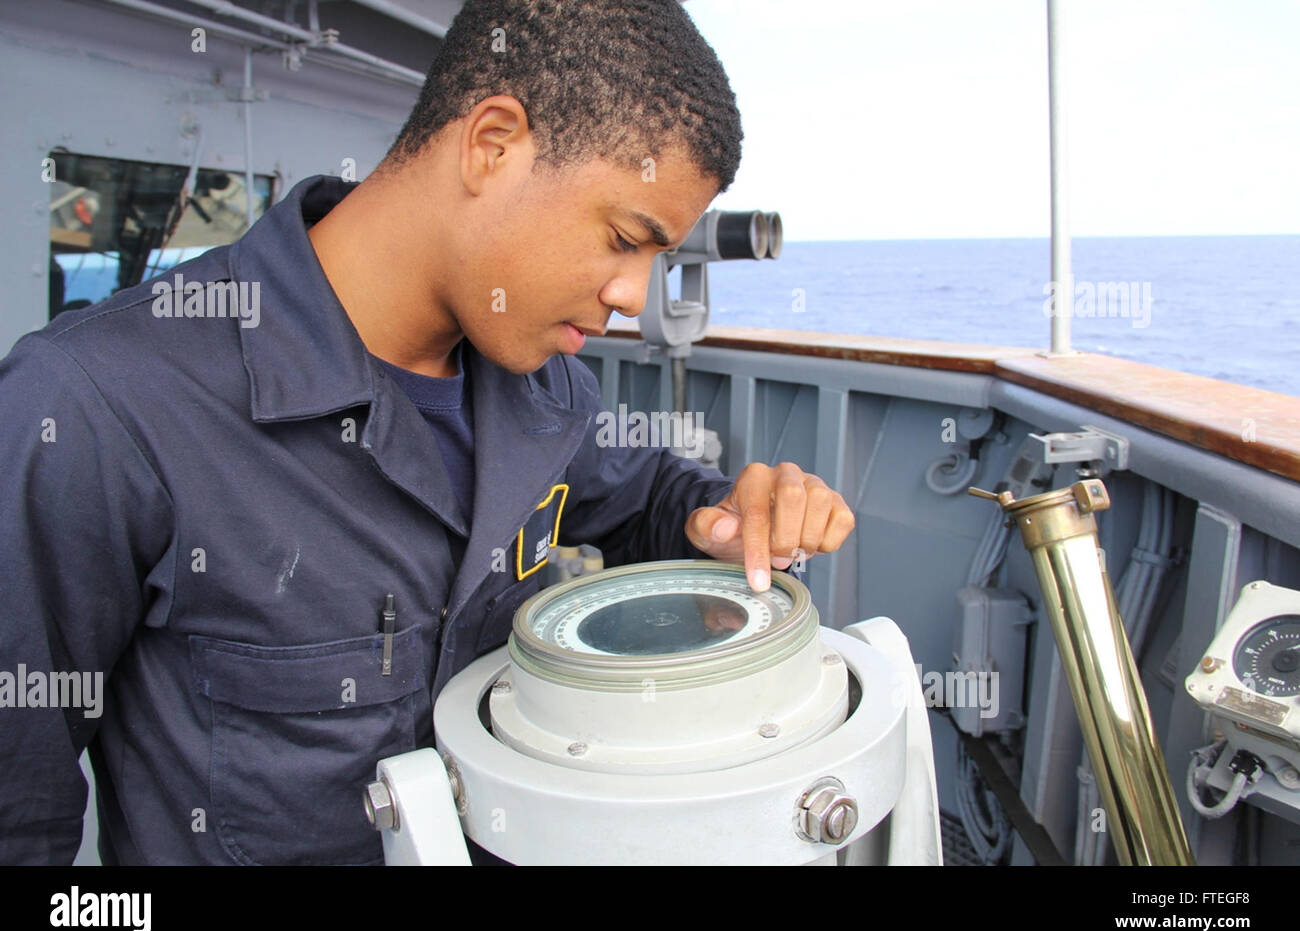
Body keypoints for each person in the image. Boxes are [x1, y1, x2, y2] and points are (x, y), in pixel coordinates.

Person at [0, 0, 854, 865]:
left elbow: (644, 499)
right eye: (625, 239)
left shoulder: (544, 389)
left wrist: (725, 513)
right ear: (492, 145)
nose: (633, 296)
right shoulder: (99, 401)